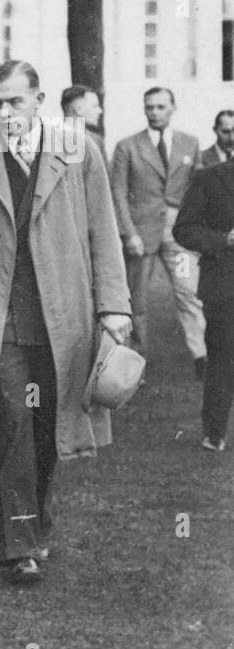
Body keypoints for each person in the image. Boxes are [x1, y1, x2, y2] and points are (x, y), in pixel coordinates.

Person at [0, 60, 132, 585]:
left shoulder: (79, 151)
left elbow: (103, 233)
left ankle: (36, 524)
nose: (3, 112)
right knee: (10, 426)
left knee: (50, 427)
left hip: (62, 319)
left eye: (14, 102)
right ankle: (18, 545)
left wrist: (114, 304)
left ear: (39, 99)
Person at [110, 87, 206, 379]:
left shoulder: (190, 143)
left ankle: (201, 356)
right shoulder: (128, 146)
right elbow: (118, 193)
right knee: (136, 299)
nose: (155, 112)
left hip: (179, 236)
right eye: (150, 107)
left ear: (173, 108)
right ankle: (136, 360)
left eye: (161, 107)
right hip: (142, 234)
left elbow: (198, 189)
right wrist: (129, 234)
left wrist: (194, 229)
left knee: (189, 291)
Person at [175, 154, 234, 452]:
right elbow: (183, 229)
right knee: (223, 359)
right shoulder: (209, 178)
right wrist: (224, 240)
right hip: (225, 286)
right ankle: (215, 432)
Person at [60, 85, 105, 161]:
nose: (100, 111)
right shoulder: (52, 140)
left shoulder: (96, 141)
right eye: (94, 106)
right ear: (78, 110)